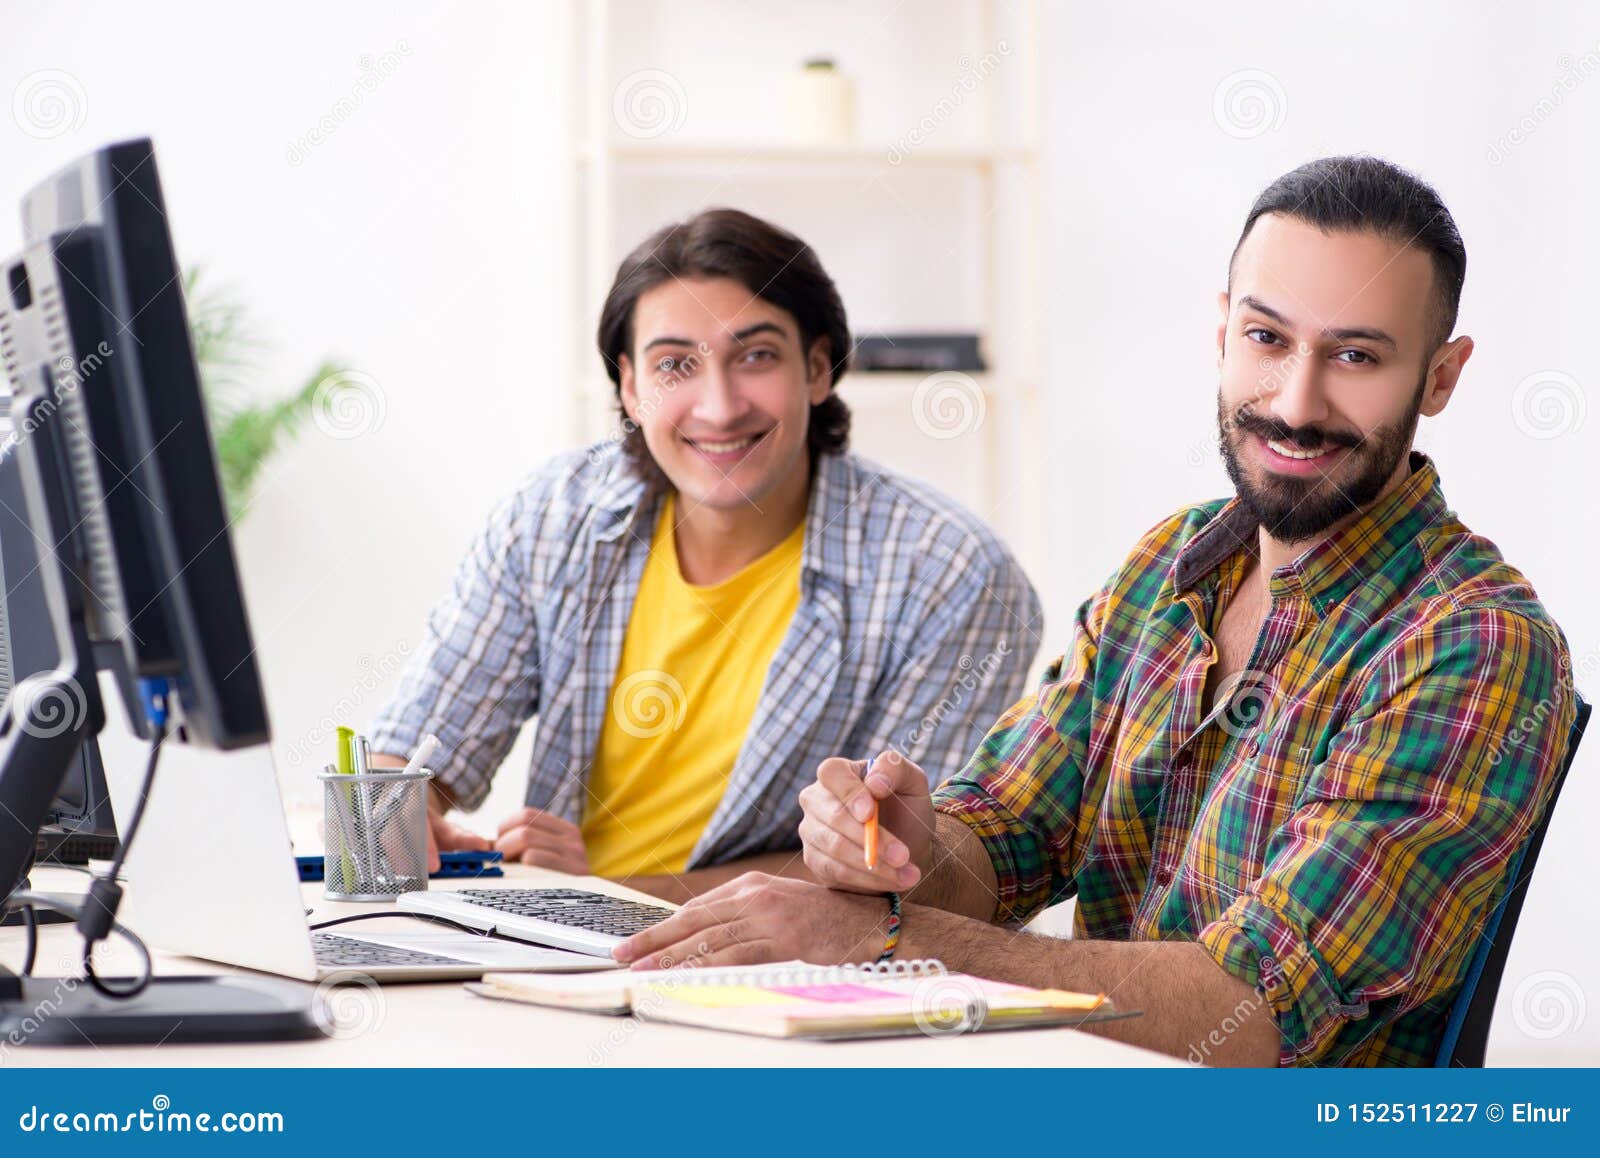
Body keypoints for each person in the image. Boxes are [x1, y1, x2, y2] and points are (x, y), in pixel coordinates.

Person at [612, 158, 1579, 1066]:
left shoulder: (1476, 645)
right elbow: (1009, 830)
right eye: (1267, 338)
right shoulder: (1167, 568)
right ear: (1223, 333)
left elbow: (1255, 1013)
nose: (1296, 400)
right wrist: (912, 854)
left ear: (1440, 377)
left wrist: (884, 941)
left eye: (1356, 355)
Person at [369, 208, 1041, 902]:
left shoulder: (952, 575)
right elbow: (412, 751)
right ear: (631, 387)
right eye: (674, 365)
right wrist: (397, 824)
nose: (718, 408)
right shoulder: (553, 515)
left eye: (756, 356)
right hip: (541, 942)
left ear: (817, 369)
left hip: (780, 964)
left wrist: (596, 894)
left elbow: (898, 873)